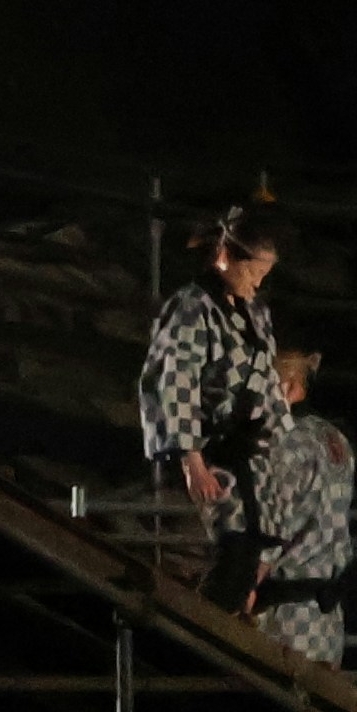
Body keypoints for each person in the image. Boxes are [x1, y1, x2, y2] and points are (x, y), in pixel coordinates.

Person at [134, 204, 288, 604]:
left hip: (255, 451)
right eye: (254, 272)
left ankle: (226, 622)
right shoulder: (192, 307)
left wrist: (282, 435)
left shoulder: (255, 312)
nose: (257, 282)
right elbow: (175, 378)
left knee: (256, 548)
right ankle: (202, 625)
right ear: (227, 258)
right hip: (217, 447)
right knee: (233, 546)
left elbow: (267, 380)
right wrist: (192, 459)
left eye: (263, 275)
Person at [245, 344, 357, 666]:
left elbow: (271, 530)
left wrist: (244, 589)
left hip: (285, 622)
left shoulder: (283, 445)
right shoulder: (334, 438)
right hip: (327, 618)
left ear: (288, 386)